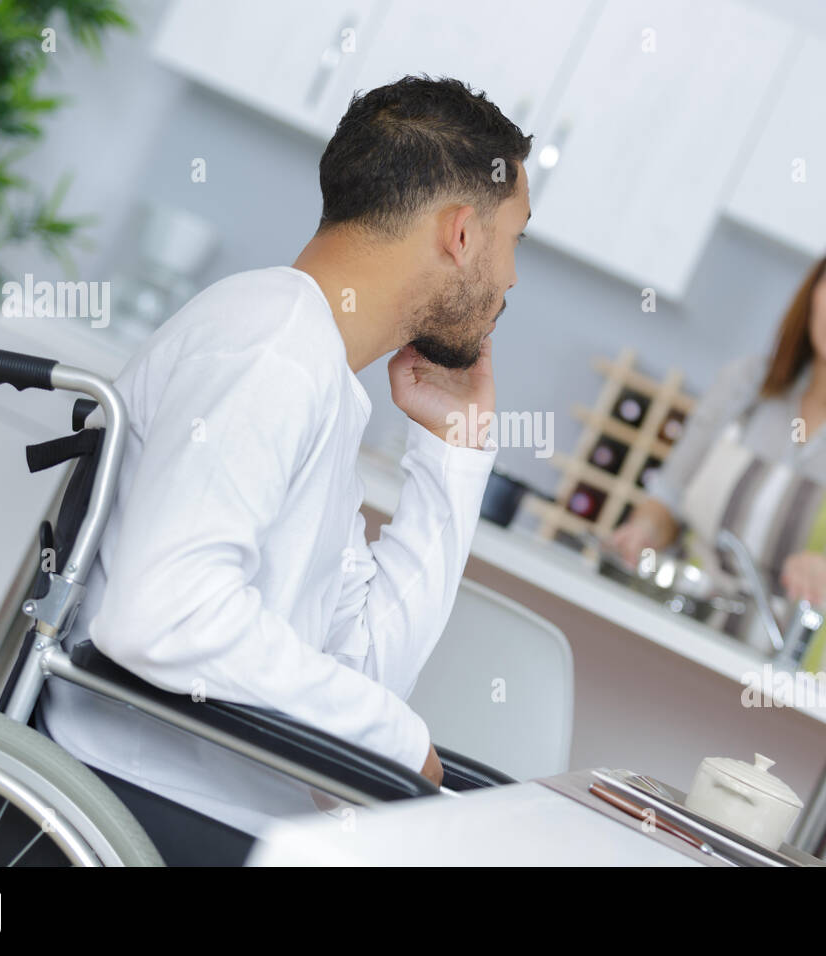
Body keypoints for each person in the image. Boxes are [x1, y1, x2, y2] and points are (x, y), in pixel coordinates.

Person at [32, 75, 533, 862]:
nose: (510, 281)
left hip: (214, 805)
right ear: (463, 235)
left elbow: (364, 671)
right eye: (515, 242)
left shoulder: (311, 363)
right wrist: (395, 739)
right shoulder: (273, 347)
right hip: (141, 811)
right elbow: (164, 616)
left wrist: (455, 452)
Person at [611, 228, 826, 665]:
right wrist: (645, 531)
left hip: (791, 678)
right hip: (676, 634)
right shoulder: (744, 384)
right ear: (814, 292)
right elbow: (668, 499)